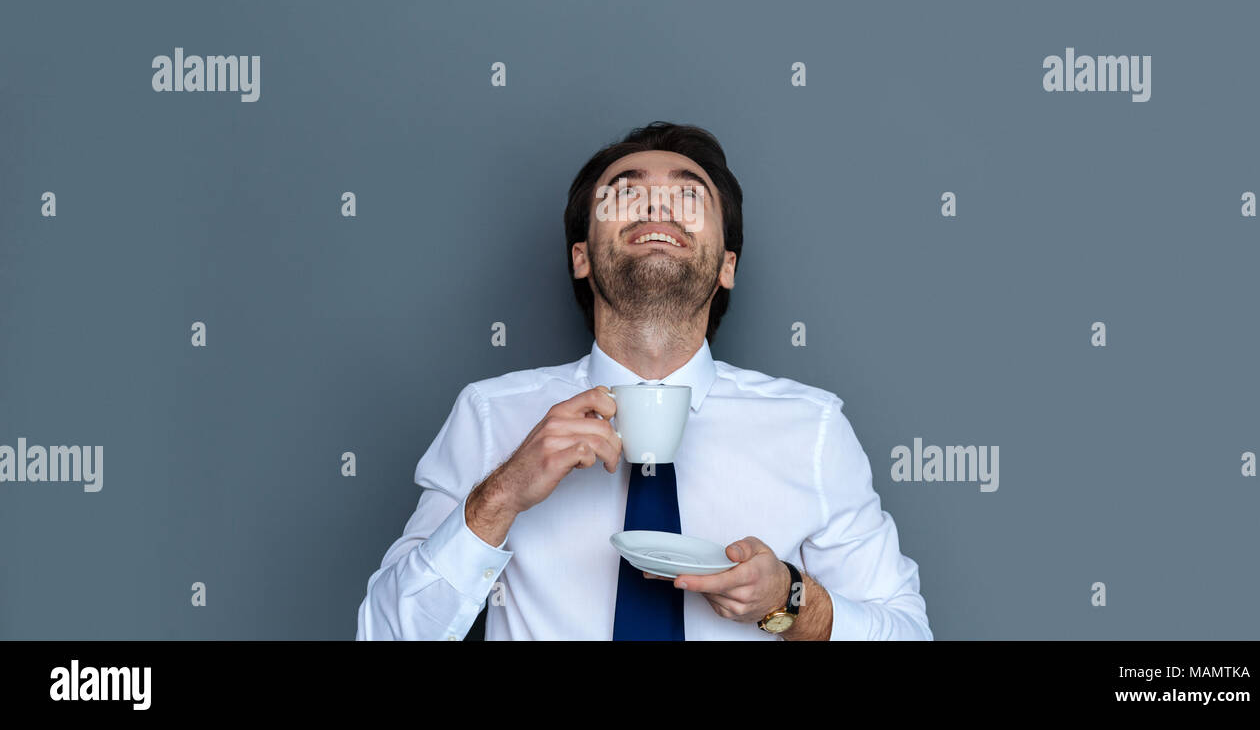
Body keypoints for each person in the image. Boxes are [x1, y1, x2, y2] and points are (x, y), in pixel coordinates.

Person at [355, 121, 932, 640]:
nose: (658, 209)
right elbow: (386, 634)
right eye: (625, 194)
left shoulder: (814, 429)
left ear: (727, 265)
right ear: (581, 256)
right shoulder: (489, 414)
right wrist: (501, 495)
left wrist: (788, 601)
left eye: (688, 196)